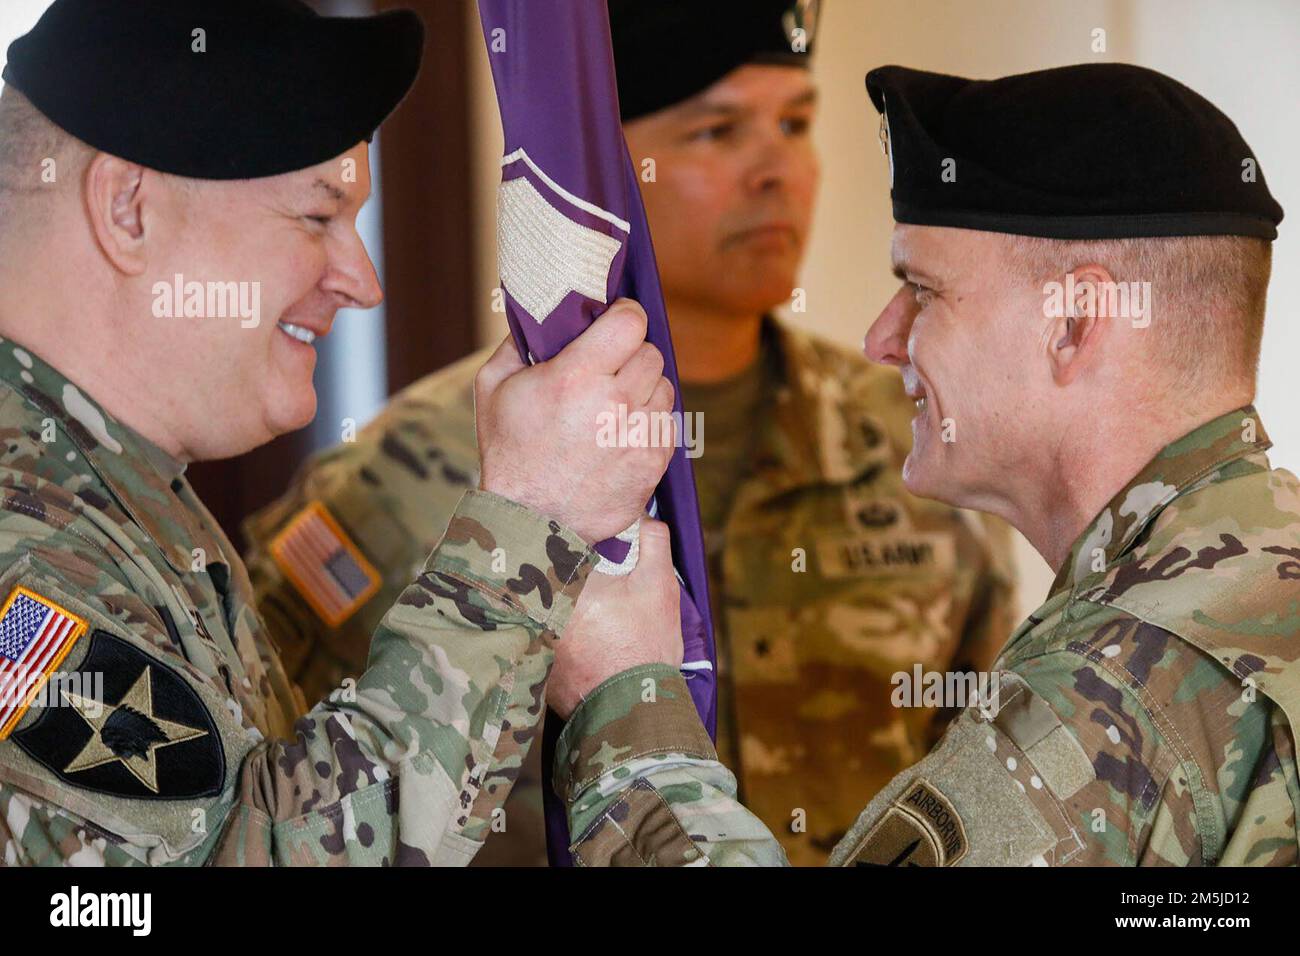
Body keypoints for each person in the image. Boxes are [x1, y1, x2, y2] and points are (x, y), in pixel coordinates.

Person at [243, 0, 1018, 866]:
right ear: (616, 174)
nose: (778, 170)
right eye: (717, 132)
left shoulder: (914, 442)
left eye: (795, 123)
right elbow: (287, 803)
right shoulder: (405, 474)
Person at [529, 62, 1300, 866]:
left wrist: (623, 706)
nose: (881, 339)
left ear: (1075, 322)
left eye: (922, 291)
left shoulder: (1112, 693)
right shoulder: (1257, 572)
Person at [0, 0, 677, 867]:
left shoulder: (111, 491)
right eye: (317, 218)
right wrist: (528, 524)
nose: (362, 282)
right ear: (128, 208)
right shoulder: (24, 544)